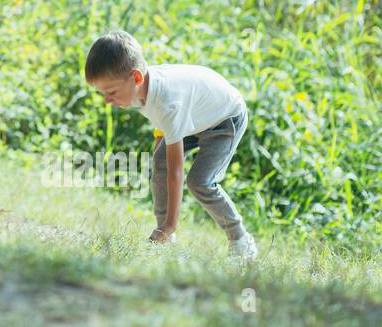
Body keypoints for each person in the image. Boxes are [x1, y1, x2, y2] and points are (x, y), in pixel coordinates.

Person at [83, 29, 258, 260]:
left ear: (136, 78)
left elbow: (176, 171)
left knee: (200, 182)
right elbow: (161, 128)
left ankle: (241, 241)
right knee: (159, 161)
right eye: (102, 93)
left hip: (225, 118)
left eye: (111, 92)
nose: (107, 100)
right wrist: (159, 157)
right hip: (195, 115)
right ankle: (165, 239)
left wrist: (171, 223)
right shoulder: (140, 90)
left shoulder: (167, 103)